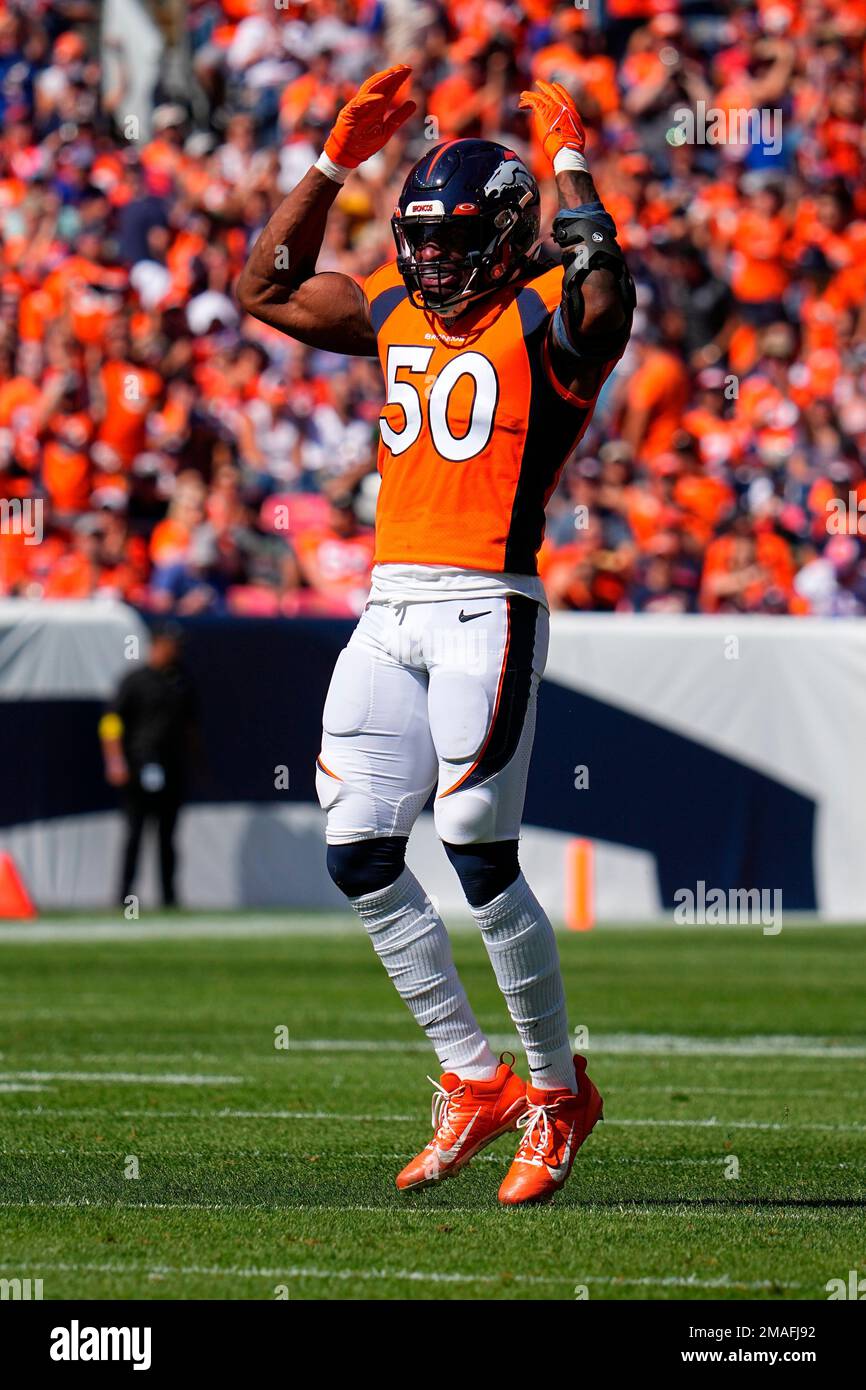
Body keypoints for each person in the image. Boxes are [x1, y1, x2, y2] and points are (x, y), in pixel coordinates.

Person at [238, 68, 635, 1205]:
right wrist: (328, 161)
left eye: (455, 236)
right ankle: (475, 1078)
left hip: (484, 602)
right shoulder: (394, 312)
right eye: (419, 236)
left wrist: (567, 164)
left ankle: (560, 1091)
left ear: (508, 236)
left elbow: (604, 301)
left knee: (472, 843)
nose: (431, 257)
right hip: (388, 606)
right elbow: (261, 287)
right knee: (358, 845)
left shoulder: (545, 321)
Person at [100, 623, 198, 909]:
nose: (176, 650)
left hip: (172, 766)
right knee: (135, 832)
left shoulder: (181, 680)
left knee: (168, 835)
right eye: (170, 644)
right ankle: (124, 896)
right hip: (139, 764)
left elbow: (191, 727)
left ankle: (169, 897)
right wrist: (115, 761)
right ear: (156, 645)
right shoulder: (135, 680)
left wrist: (197, 764)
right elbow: (110, 722)